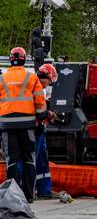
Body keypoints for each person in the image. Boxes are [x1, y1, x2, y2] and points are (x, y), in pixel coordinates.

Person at [0, 46, 47, 202]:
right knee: (28, 158)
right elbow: (39, 100)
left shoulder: (2, 78)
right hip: (27, 124)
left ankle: (13, 196)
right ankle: (28, 195)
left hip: (6, 125)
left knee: (11, 160)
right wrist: (41, 116)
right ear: (24, 59)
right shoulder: (31, 77)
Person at [34, 62, 58, 200]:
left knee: (42, 158)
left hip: (39, 128)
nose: (49, 85)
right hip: (34, 128)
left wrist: (47, 114)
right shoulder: (34, 86)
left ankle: (44, 190)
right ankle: (29, 190)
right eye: (49, 82)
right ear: (47, 77)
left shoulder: (38, 87)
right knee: (33, 158)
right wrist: (47, 114)